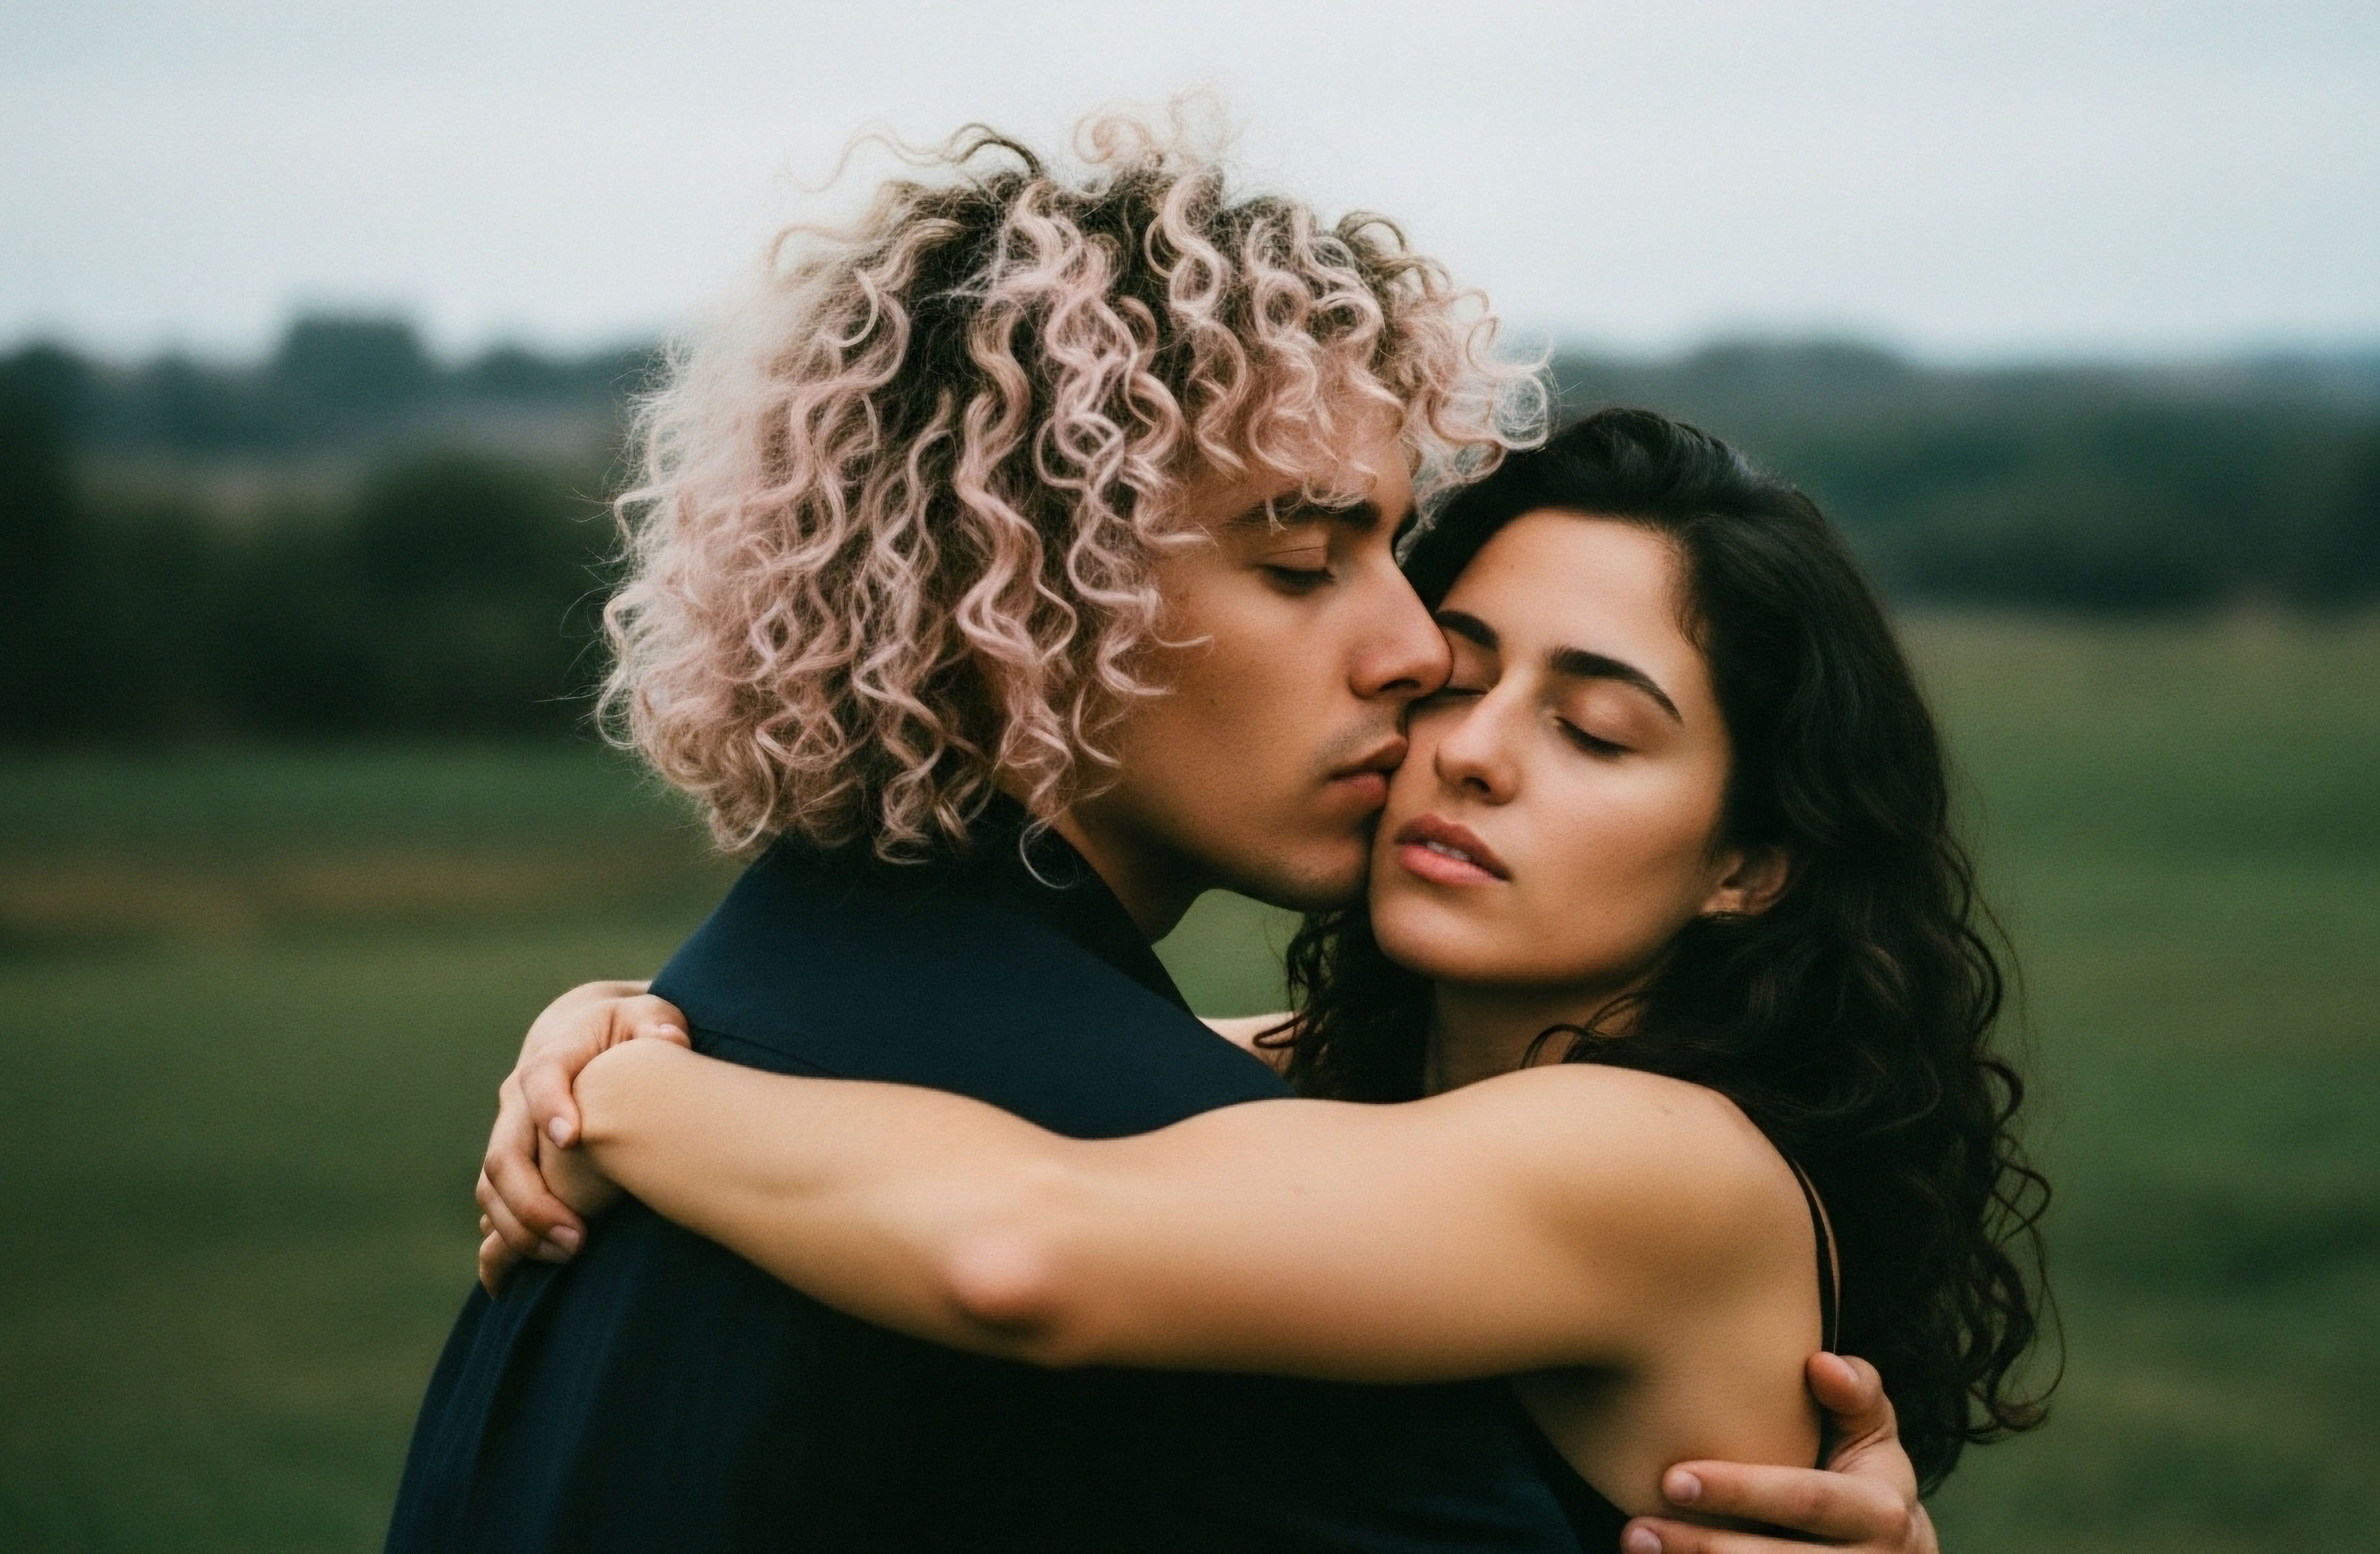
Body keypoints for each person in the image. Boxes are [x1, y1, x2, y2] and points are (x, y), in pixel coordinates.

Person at [391, 116, 1941, 1554]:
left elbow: (1021, 1246)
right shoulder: (1290, 1092)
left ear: (1754, 863)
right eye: (1306, 565)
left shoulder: (1653, 1160)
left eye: (1593, 730)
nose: (1428, 688)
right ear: (1026, 585)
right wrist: (605, 1025)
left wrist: (628, 1090)